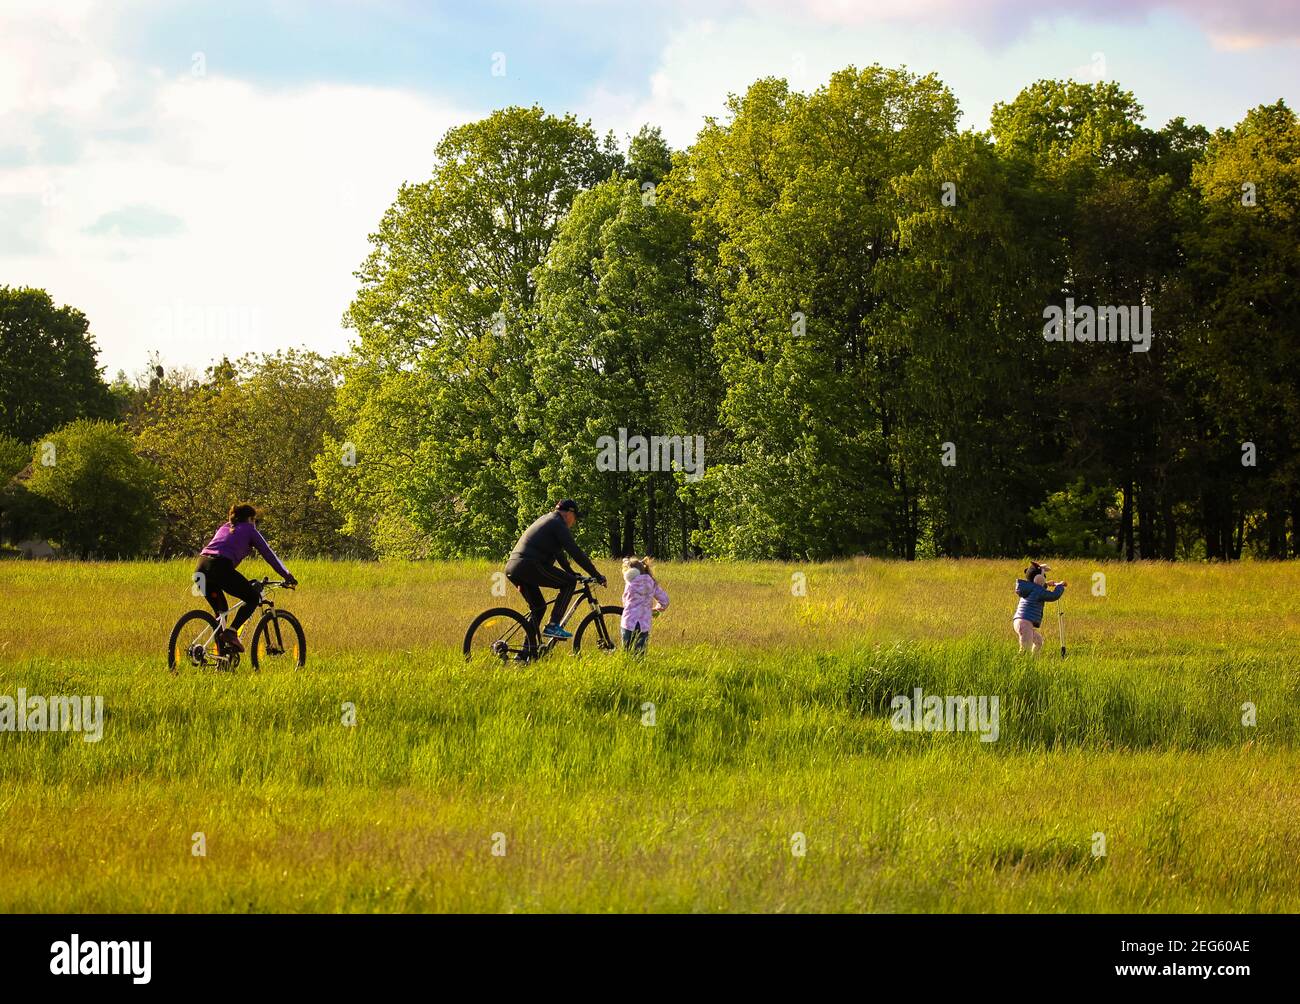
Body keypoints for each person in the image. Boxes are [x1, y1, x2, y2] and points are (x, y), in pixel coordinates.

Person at [195, 503, 296, 653]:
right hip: (220, 568)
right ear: (250, 518)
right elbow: (269, 554)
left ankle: (222, 657)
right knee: (253, 598)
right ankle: (232, 632)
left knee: (221, 612)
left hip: (201, 568)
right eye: (254, 520)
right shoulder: (249, 529)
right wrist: (287, 575)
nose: (255, 523)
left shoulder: (225, 527)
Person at [505, 499, 605, 642]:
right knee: (569, 583)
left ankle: (527, 652)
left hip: (513, 566)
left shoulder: (548, 519)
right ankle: (553, 625)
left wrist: (570, 571)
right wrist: (597, 575)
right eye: (575, 517)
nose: (574, 522)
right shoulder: (558, 523)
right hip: (529, 564)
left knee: (539, 608)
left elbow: (559, 554)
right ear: (569, 513)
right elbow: (575, 552)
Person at [1012, 561, 1065, 655]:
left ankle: (1033, 660)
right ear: (1038, 577)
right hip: (1025, 623)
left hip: (1021, 621)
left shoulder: (1029, 587)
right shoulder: (1037, 591)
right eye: (1043, 577)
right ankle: (1018, 663)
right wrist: (1060, 586)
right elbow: (1054, 596)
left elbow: (1038, 586)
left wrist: (1047, 584)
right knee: (1025, 649)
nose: (1044, 579)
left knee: (1038, 641)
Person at [620, 556, 668, 653]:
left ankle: (627, 667)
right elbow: (665, 600)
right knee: (640, 653)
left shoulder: (630, 583)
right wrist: (657, 609)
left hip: (628, 622)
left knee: (626, 652)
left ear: (630, 573)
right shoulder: (652, 583)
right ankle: (640, 667)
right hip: (644, 624)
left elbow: (625, 600)